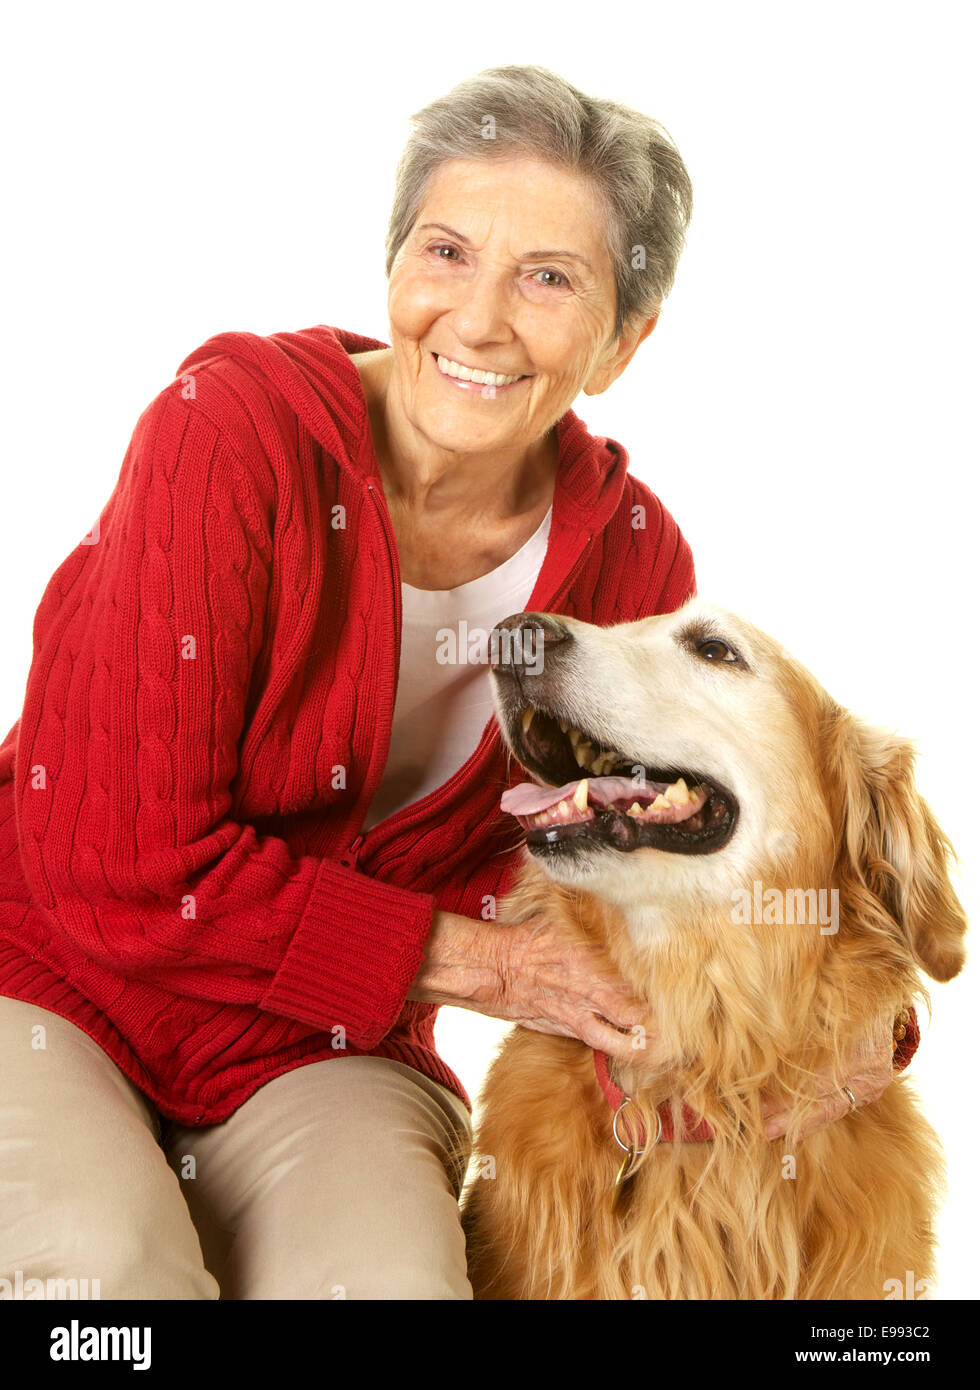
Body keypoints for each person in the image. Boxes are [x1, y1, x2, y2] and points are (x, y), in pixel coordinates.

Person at [0, 65, 900, 1301]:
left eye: (546, 278)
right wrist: (486, 968)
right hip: (52, 978)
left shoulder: (630, 561)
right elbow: (117, 864)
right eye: (446, 251)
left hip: (320, 1045)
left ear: (621, 341)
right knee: (104, 1280)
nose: (476, 322)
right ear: (392, 266)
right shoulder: (231, 433)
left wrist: (844, 1020)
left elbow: (652, 879)